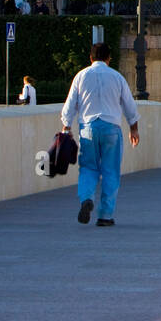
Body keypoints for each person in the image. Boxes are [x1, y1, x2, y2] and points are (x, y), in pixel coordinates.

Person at [60, 43, 140, 227]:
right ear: (108, 58)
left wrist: (66, 127)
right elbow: (129, 106)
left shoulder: (81, 76)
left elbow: (69, 105)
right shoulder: (117, 77)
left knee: (88, 168)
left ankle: (87, 198)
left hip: (88, 127)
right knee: (111, 171)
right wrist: (133, 128)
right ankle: (105, 215)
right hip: (111, 127)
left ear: (90, 58)